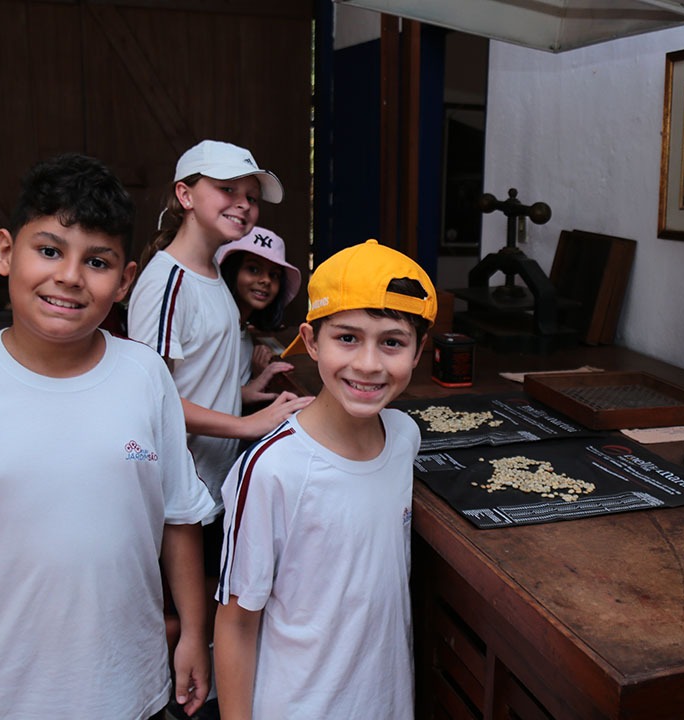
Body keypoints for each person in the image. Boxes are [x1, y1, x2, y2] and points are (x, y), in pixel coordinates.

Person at [0, 153, 216, 719]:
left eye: (98, 261)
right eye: (50, 250)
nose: (69, 276)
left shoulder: (145, 375)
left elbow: (179, 514)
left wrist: (191, 634)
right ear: (6, 252)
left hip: (129, 692)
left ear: (125, 280)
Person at [213, 239, 437, 719]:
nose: (369, 364)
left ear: (419, 352)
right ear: (312, 341)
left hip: (385, 701)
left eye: (392, 341)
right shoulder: (272, 469)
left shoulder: (403, 437)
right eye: (347, 338)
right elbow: (235, 624)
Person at [127, 140, 312, 718]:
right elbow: (147, 399)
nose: (244, 204)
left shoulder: (211, 276)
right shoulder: (169, 280)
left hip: (209, 486)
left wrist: (246, 393)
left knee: (202, 626)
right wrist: (246, 422)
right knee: (177, 628)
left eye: (252, 197)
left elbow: (197, 380)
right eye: (228, 190)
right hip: (173, 495)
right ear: (185, 195)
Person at [216, 226, 301, 407]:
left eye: (274, 275)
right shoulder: (215, 329)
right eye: (253, 269)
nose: (266, 280)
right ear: (232, 270)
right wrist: (245, 393)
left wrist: (255, 376)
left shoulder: (243, 331)